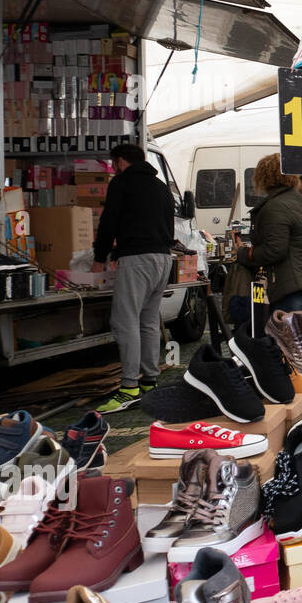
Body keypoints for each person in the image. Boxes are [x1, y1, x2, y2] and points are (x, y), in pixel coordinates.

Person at [93, 143, 175, 414]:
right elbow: (164, 225)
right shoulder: (161, 187)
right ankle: (150, 382)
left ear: (120, 161)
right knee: (149, 321)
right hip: (163, 259)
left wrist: (100, 256)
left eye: (114, 163)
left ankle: (128, 388)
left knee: (124, 320)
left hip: (137, 259)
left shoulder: (122, 184)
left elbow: (109, 221)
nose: (114, 168)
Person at [236, 153, 302, 314]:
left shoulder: (275, 206)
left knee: (287, 335)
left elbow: (275, 249)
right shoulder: (298, 200)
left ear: (263, 177)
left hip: (288, 284)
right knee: (295, 333)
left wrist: (244, 253)